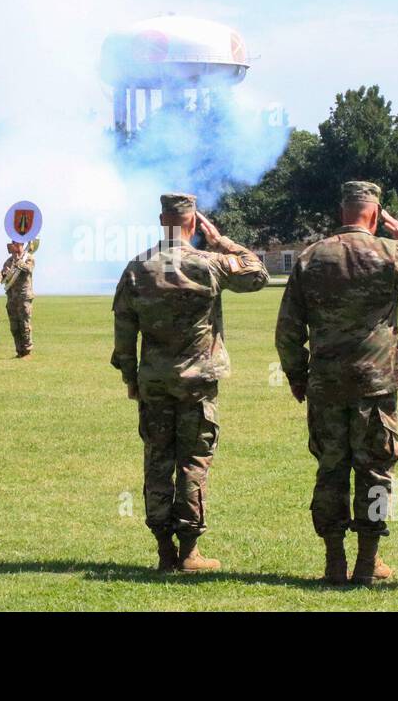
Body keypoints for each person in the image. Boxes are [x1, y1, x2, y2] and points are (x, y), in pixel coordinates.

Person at [275, 181, 398, 586]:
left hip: (326, 384)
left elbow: (288, 329)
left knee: (330, 469)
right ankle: (368, 561)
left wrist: (297, 376)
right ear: (374, 215)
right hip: (375, 384)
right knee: (375, 472)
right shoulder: (391, 253)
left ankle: (334, 561)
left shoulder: (310, 257)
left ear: (342, 214)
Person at [112, 193, 268, 573]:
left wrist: (130, 377)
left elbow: (123, 326)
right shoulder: (209, 263)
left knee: (157, 460)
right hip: (198, 383)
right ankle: (189, 551)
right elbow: (257, 274)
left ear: (160, 219)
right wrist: (220, 241)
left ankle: (164, 550)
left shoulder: (138, 267)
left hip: (154, 382)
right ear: (194, 223)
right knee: (193, 461)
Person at [2, 240, 36, 358]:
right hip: (11, 297)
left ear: (22, 245)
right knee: (14, 326)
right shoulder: (8, 261)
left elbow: (28, 269)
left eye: (17, 245)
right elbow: (3, 278)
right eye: (13, 245)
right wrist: (5, 273)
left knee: (24, 324)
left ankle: (27, 351)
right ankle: (19, 350)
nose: (15, 247)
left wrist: (18, 261)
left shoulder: (28, 258)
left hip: (24, 296)